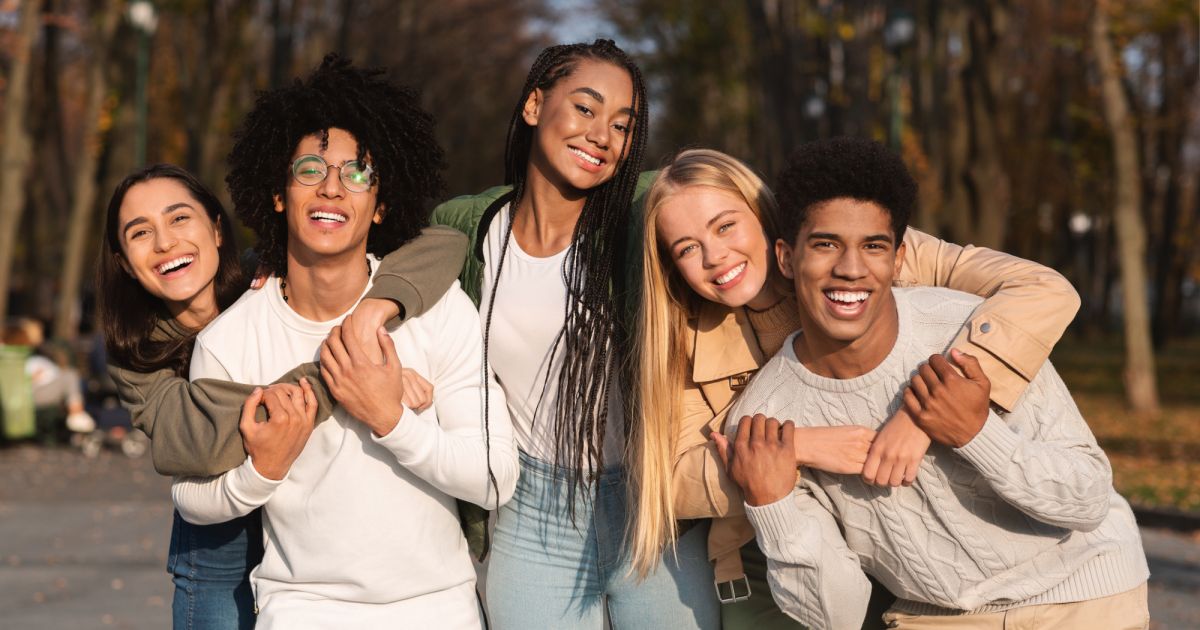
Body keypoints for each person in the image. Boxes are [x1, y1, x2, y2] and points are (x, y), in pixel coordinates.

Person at [631, 148, 1085, 629]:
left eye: (726, 227)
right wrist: (802, 447)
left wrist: (923, 413)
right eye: (686, 247)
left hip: (907, 537)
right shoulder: (678, 335)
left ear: (764, 217)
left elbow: (1041, 290)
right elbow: (671, 480)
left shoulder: (860, 253)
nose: (715, 256)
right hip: (774, 548)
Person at [719, 137, 1149, 630]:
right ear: (787, 258)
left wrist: (977, 434)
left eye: (873, 246)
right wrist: (775, 509)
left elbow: (1090, 497)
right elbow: (835, 614)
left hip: (1084, 596)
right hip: (936, 619)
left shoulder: (969, 328)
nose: (851, 269)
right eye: (825, 244)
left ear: (898, 259)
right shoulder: (767, 418)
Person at [168, 55, 517, 629]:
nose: (332, 187)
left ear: (380, 205)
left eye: (358, 174)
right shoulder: (230, 338)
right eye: (310, 169)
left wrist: (390, 417)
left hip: (437, 606)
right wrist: (265, 468)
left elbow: (495, 475)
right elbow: (193, 496)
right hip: (302, 608)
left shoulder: (438, 309)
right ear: (279, 194)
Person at [96, 159, 466, 629]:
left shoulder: (272, 278)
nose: (166, 242)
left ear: (216, 229)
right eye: (140, 233)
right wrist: (356, 371)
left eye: (179, 218)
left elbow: (444, 242)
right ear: (125, 263)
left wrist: (375, 313)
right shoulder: (136, 351)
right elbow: (195, 440)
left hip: (310, 539)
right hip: (219, 546)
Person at [431, 39, 719, 629]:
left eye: (622, 124)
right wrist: (265, 266)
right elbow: (368, 259)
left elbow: (735, 214)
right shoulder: (469, 225)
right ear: (535, 105)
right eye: (585, 109)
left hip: (653, 506)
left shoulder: (641, 215)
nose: (602, 135)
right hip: (535, 510)